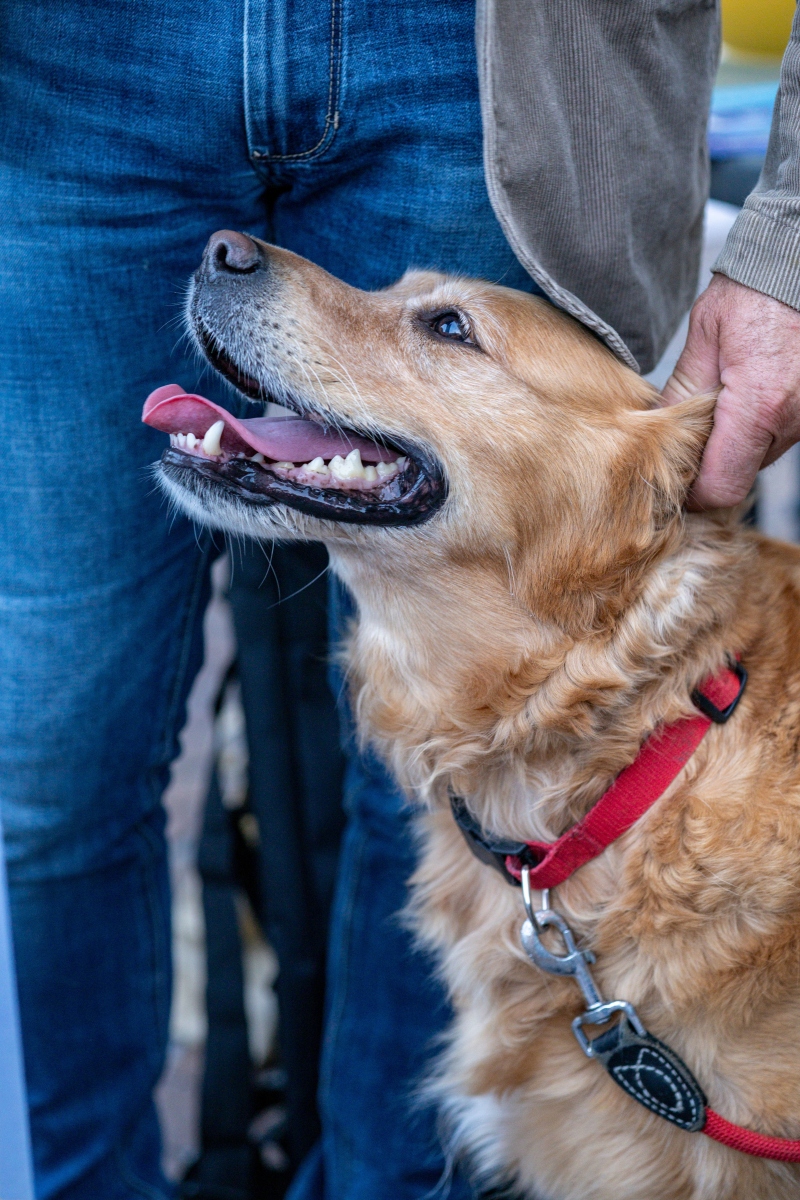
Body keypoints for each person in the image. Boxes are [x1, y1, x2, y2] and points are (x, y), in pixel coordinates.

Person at [2, 2, 800, 1198]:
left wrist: (786, 239)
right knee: (53, 766)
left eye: (438, 325)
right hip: (78, 60)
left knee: (414, 815)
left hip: (506, 69)